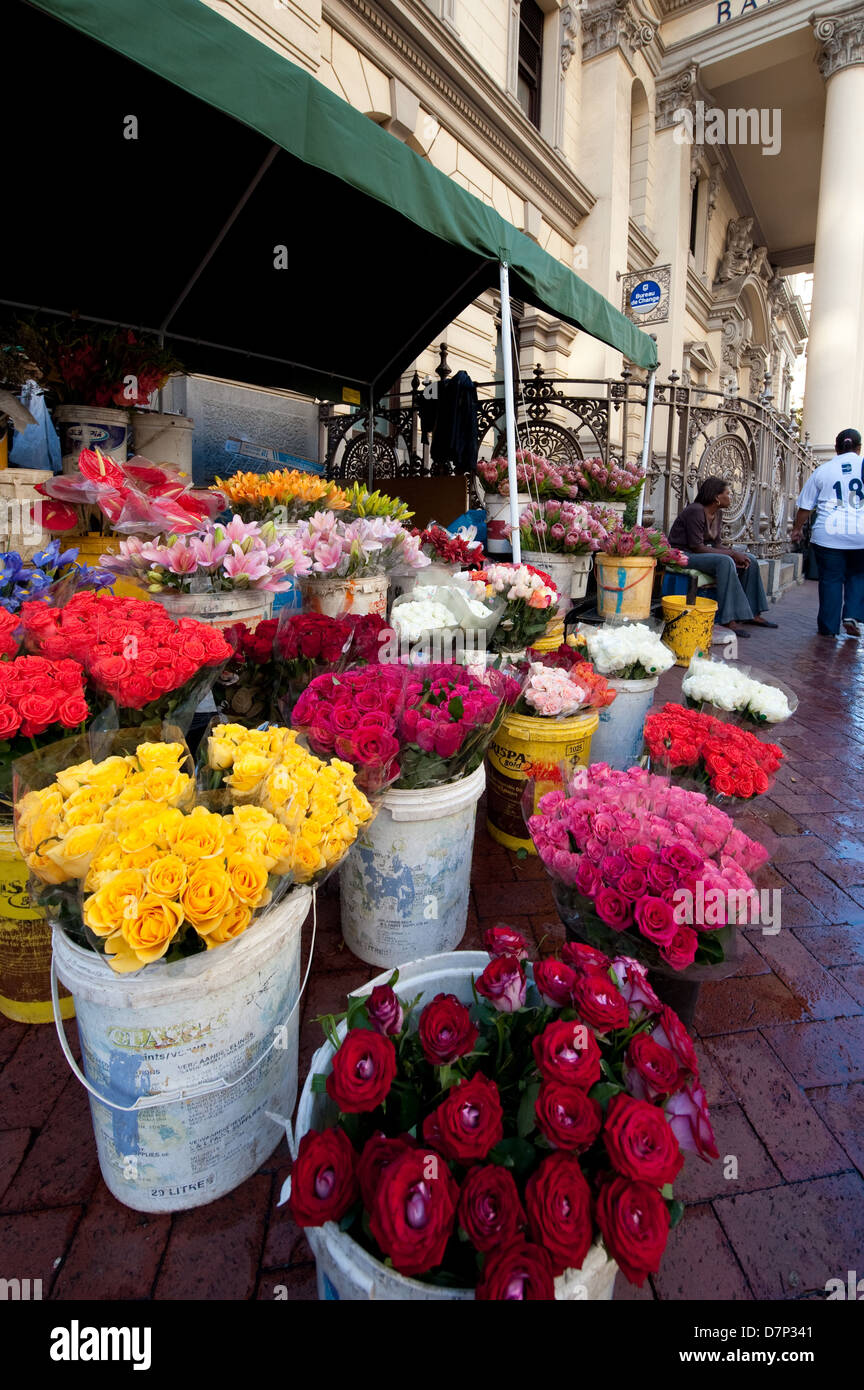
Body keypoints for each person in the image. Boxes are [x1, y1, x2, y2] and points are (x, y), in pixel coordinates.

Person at [667, 476, 776, 637]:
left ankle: (753, 613)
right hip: (683, 555)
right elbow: (696, 546)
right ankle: (728, 618)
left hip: (699, 553)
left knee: (750, 560)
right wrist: (731, 554)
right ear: (717, 497)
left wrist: (738, 555)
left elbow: (717, 544)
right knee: (725, 561)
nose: (731, 496)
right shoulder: (695, 510)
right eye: (728, 493)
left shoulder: (717, 514)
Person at [790, 427, 864, 638]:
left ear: (836, 448)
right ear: (859, 448)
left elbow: (805, 506)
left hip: (828, 534)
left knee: (831, 580)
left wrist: (797, 529)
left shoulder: (823, 470)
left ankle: (828, 628)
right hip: (860, 534)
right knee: (858, 575)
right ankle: (852, 614)